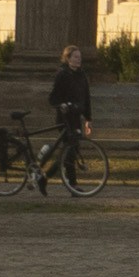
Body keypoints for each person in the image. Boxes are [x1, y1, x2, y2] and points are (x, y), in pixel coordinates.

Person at [43, 41, 94, 196]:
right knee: (70, 151)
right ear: (68, 58)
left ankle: (44, 178)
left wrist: (88, 118)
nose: (78, 59)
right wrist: (62, 104)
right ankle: (73, 186)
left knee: (69, 152)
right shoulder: (62, 74)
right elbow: (52, 98)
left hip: (76, 118)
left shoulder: (82, 75)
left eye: (79, 57)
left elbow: (86, 98)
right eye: (75, 57)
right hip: (64, 119)